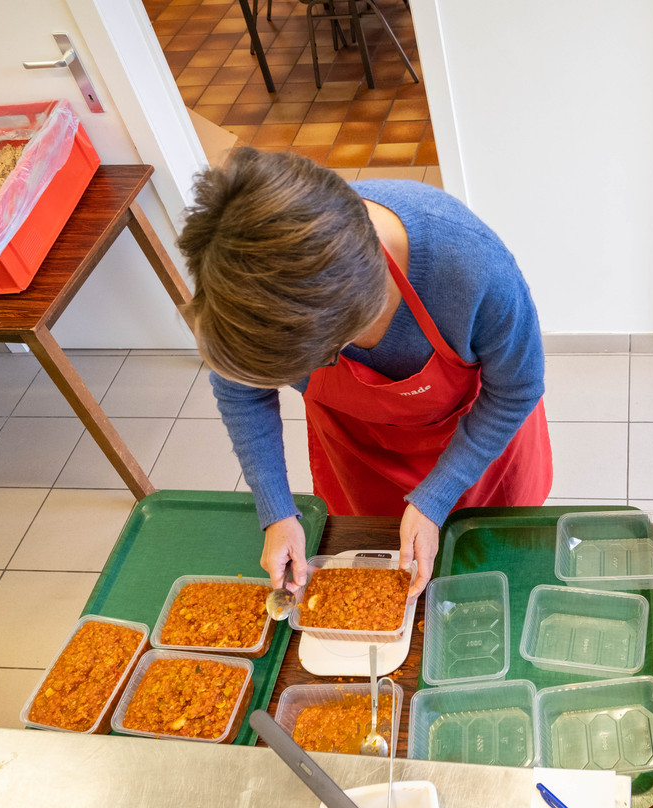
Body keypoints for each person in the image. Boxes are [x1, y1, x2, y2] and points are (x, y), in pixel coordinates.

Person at [177, 148, 553, 597]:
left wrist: (436, 496)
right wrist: (277, 510)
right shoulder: (252, 288)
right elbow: (241, 391)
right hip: (358, 458)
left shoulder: (472, 267)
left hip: (476, 451)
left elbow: (515, 391)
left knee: (494, 578)